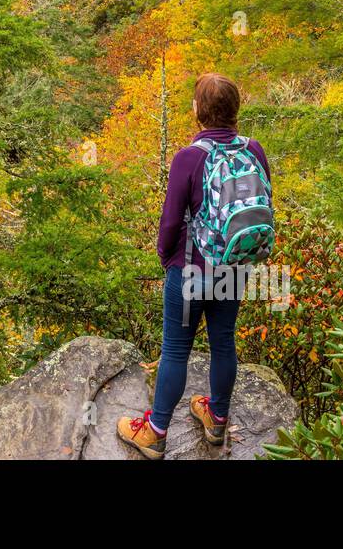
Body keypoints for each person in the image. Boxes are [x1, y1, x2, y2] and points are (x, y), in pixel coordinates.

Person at [116, 72, 271, 459]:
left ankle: (155, 432)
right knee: (223, 341)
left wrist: (166, 257)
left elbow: (171, 221)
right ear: (236, 110)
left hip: (191, 271)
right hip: (235, 266)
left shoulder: (189, 158)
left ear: (198, 111)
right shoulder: (254, 150)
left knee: (175, 350)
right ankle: (217, 419)